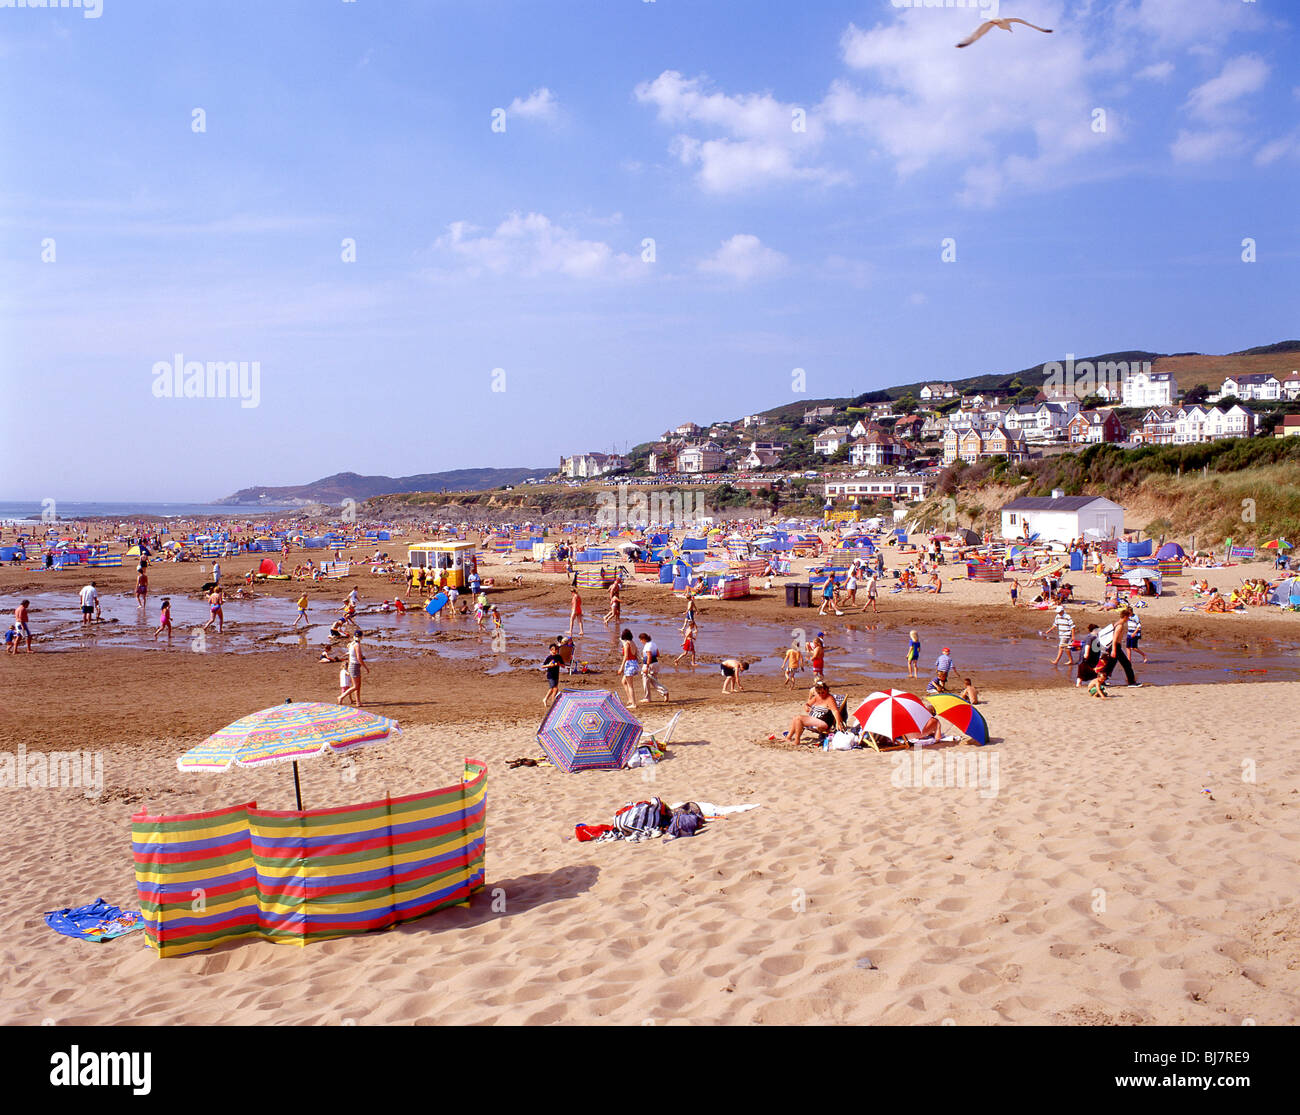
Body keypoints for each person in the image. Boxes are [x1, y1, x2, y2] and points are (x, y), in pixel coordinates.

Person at [785, 680, 845, 745]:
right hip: (815, 719)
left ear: (827, 690)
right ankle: (788, 737)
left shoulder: (829, 698)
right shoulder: (817, 697)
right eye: (819, 693)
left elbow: (835, 711)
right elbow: (807, 704)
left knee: (799, 718)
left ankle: (797, 741)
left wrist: (838, 723)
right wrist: (807, 707)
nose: (821, 694)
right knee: (795, 718)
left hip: (823, 722)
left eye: (823, 692)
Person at [638, 633, 670, 702]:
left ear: (643, 639)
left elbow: (649, 656)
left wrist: (646, 666)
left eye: (641, 640)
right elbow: (657, 654)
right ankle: (664, 692)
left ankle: (647, 698)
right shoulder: (653, 644)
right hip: (655, 663)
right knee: (654, 681)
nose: (641, 641)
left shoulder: (647, 646)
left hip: (650, 664)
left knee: (645, 680)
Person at [345, 632, 369, 707]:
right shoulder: (357, 645)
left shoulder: (352, 644)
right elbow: (359, 658)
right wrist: (366, 667)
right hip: (354, 666)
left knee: (357, 685)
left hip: (353, 665)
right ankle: (341, 697)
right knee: (356, 686)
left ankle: (358, 702)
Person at [618, 628, 639, 708]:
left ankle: (634, 704)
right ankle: (630, 699)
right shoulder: (633, 642)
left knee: (630, 685)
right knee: (624, 681)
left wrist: (621, 667)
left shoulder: (627, 644)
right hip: (634, 663)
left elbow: (626, 656)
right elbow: (636, 653)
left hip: (629, 664)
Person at [542, 643, 563, 708]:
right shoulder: (549, 657)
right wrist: (549, 665)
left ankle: (545, 699)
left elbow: (563, 665)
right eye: (554, 649)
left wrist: (559, 664)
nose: (556, 651)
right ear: (551, 650)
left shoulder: (558, 657)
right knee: (555, 689)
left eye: (557, 649)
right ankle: (553, 702)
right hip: (550, 675)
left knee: (552, 689)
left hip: (556, 674)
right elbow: (543, 666)